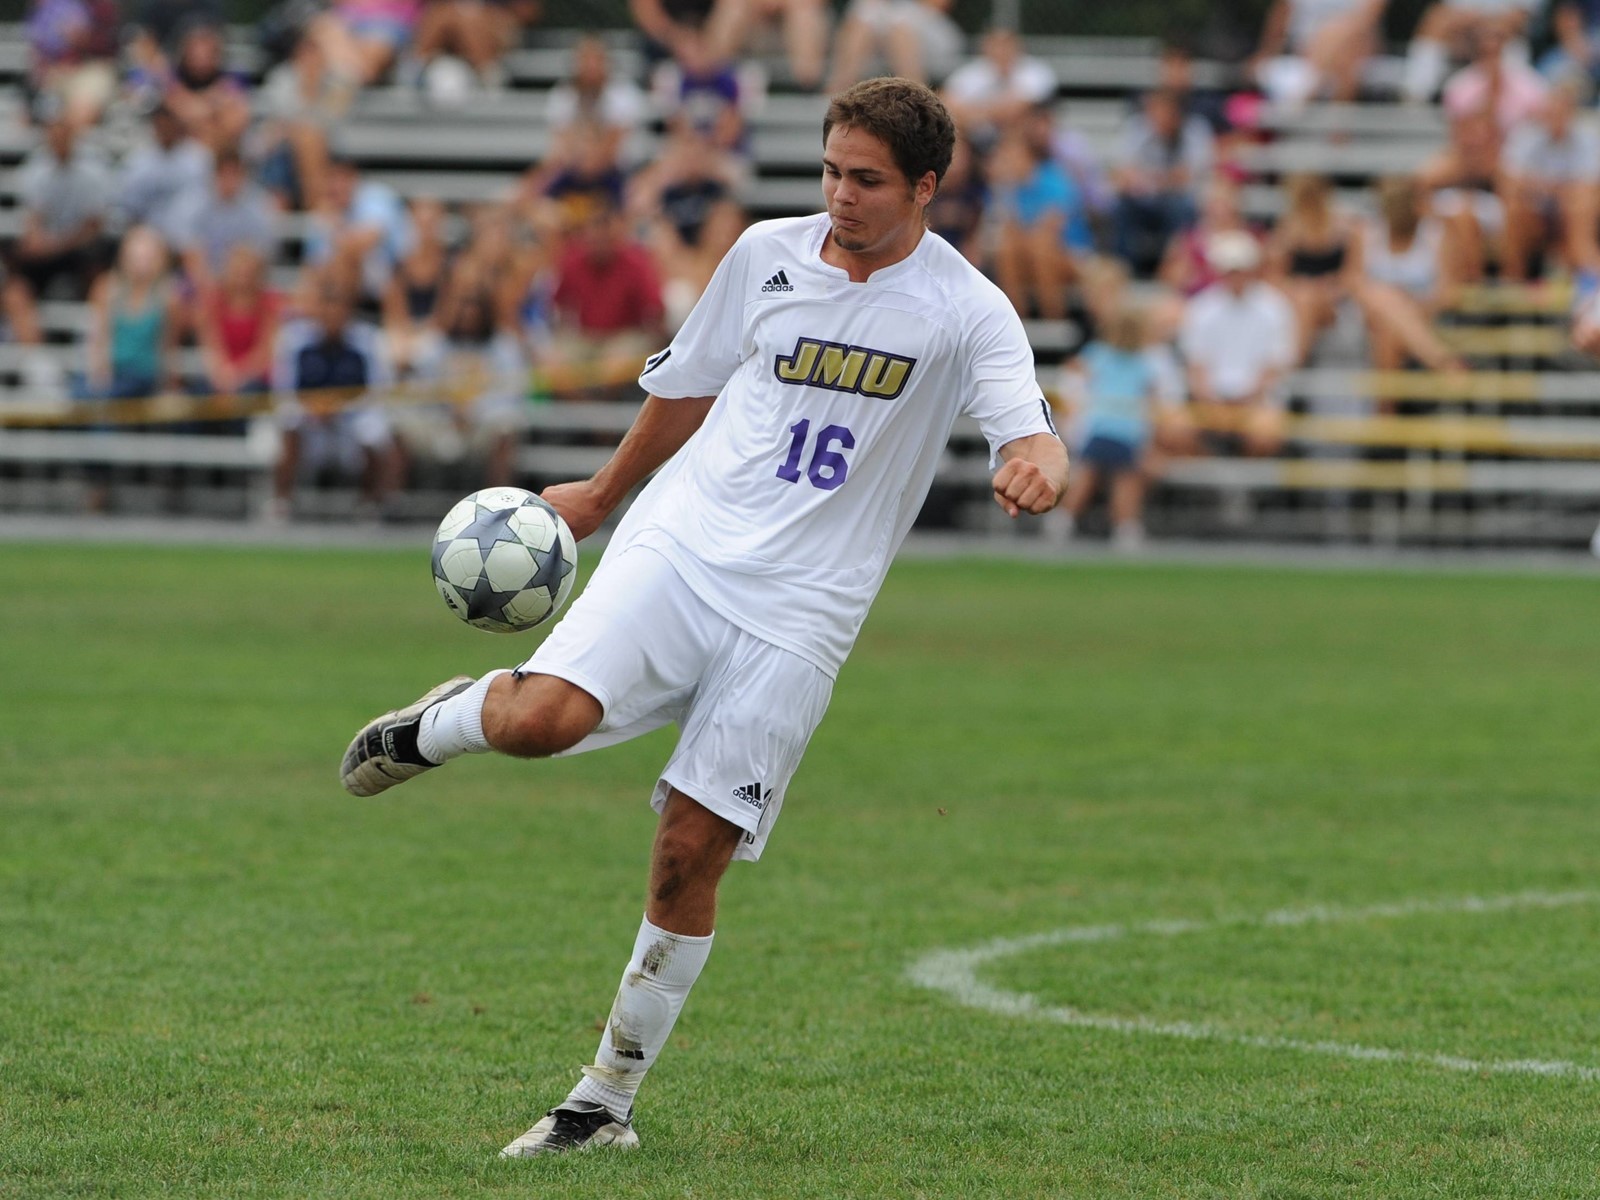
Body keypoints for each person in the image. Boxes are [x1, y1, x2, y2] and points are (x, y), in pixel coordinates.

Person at [338, 77, 1066, 1157]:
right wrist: (599, 495)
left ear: (925, 186)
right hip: (684, 545)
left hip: (805, 615)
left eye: (867, 180)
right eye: (831, 171)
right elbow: (686, 385)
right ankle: (440, 722)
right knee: (538, 723)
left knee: (691, 853)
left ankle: (602, 1105)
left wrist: (1040, 465)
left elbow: (1029, 426)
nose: (841, 196)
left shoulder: (968, 309)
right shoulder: (765, 254)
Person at [1174, 230, 1297, 457]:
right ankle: (1213, 470)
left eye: (1240, 269)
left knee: (1265, 435)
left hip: (1260, 401)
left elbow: (1274, 368)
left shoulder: (1275, 307)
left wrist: (1244, 403)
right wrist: (1212, 403)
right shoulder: (1201, 308)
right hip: (1212, 400)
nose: (1236, 276)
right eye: (1231, 270)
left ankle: (1231, 473)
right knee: (1174, 430)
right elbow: (1196, 367)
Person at [1052, 303, 1156, 551]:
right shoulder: (1142, 362)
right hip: (1125, 430)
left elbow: (1075, 377)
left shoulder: (1098, 354)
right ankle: (1125, 526)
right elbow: (1150, 396)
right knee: (1122, 480)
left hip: (1103, 427)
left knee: (1090, 476)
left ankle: (1064, 520)